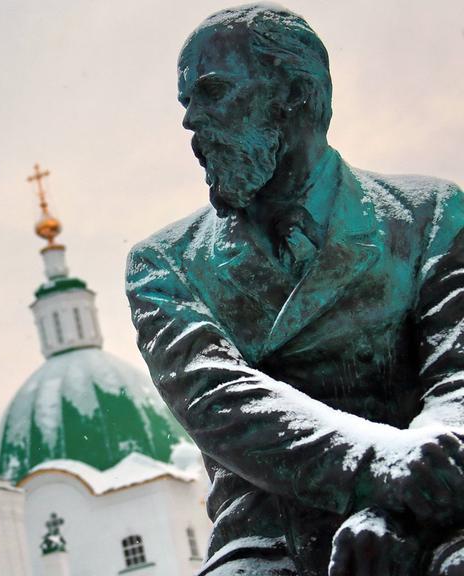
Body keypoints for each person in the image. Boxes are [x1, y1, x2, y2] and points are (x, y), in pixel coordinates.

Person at [125, 5, 464, 575]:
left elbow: (457, 376)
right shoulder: (166, 264)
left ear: (298, 94)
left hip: (441, 504)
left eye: (212, 91)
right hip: (268, 540)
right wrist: (379, 469)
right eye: (186, 103)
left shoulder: (428, 216)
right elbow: (224, 402)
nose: (190, 123)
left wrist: (405, 507)